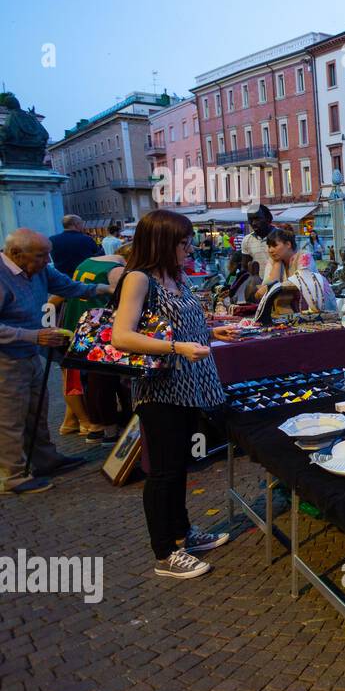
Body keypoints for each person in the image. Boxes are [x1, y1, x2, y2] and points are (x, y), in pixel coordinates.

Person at [111, 209, 240, 578]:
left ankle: (183, 532)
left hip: (190, 384)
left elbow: (182, 324)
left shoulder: (175, 276)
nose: (190, 248)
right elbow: (123, 335)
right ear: (163, 242)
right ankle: (164, 553)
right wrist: (177, 349)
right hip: (161, 388)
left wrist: (214, 334)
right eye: (184, 242)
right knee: (163, 471)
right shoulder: (138, 279)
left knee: (177, 464)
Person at [0, 228, 111, 495]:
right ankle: (12, 477)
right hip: (6, 359)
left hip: (27, 353)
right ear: (16, 254)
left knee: (37, 408)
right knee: (10, 418)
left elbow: (69, 286)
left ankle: (45, 460)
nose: (47, 262)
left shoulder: (37, 269)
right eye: (41, 256)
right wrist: (34, 335)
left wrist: (106, 287)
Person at [59, 250, 129, 441]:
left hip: (82, 325)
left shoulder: (88, 261)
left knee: (93, 380)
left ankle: (95, 426)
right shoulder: (117, 270)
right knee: (107, 380)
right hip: (102, 329)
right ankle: (112, 428)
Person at [255, 229, 337, 312]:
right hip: (291, 307)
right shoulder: (274, 260)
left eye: (274, 245)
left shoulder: (304, 256)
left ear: (288, 244)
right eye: (269, 246)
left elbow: (300, 280)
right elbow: (266, 285)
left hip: (318, 303)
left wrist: (272, 288)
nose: (270, 250)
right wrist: (277, 264)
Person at [241, 204, 273, 290]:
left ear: (268, 218)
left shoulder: (282, 237)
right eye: (250, 220)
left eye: (257, 219)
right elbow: (245, 269)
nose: (254, 223)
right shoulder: (247, 240)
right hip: (258, 288)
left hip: (279, 288)